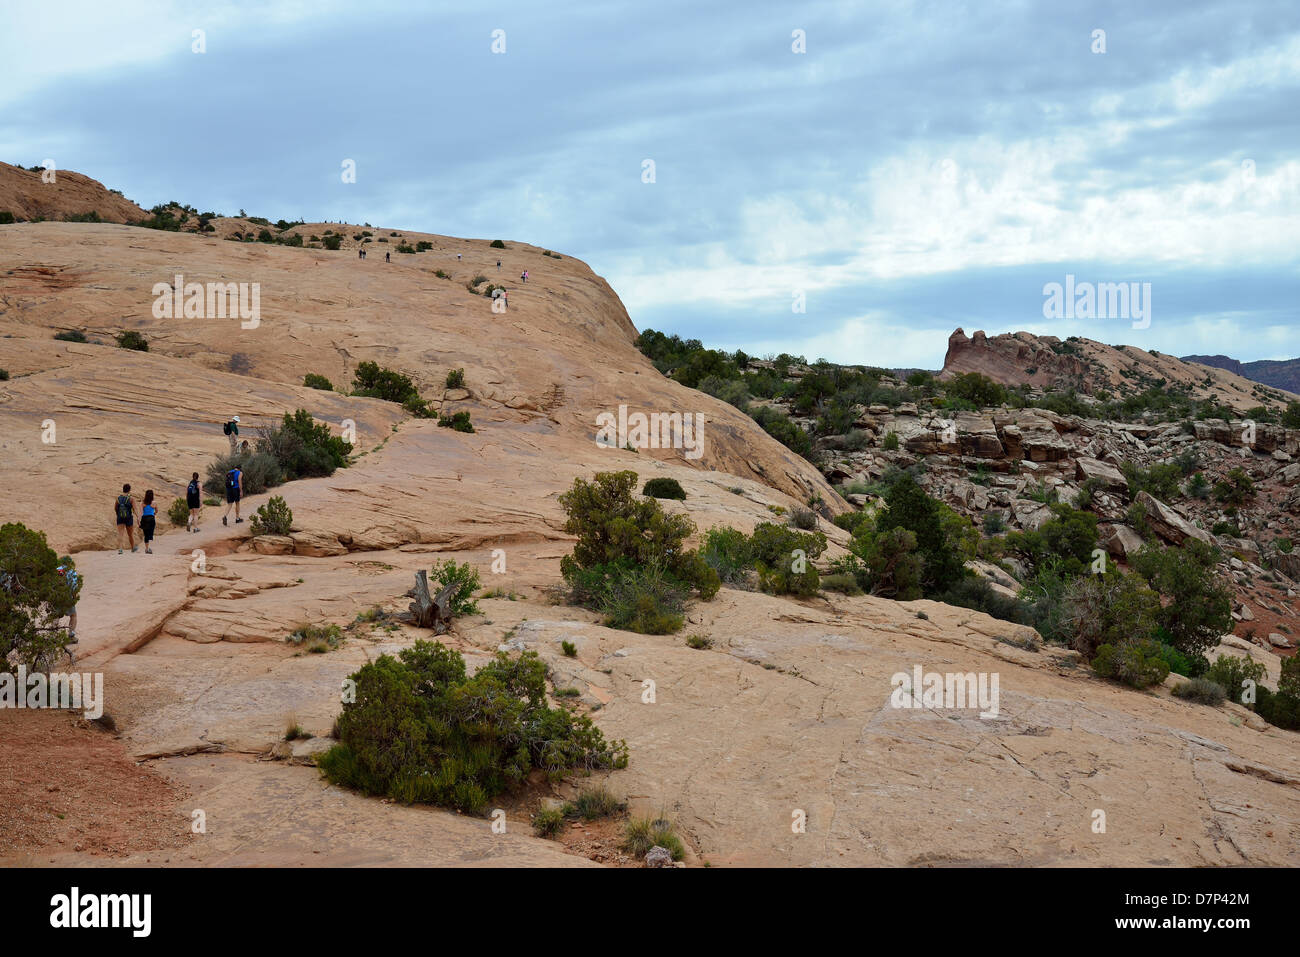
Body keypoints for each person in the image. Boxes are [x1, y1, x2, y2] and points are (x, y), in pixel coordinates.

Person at [56, 563, 79, 663]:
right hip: (68, 597)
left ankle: (54, 635)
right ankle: (71, 635)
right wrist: (74, 596)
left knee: (56, 616)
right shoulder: (71, 571)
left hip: (57, 596)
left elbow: (57, 581)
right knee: (73, 616)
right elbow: (74, 585)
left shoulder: (59, 569)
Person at [115, 483, 137, 554]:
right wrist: (138, 517)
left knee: (120, 534)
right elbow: (135, 509)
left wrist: (118, 514)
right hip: (128, 518)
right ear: (129, 490)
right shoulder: (131, 498)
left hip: (120, 517)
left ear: (123, 489)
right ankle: (133, 547)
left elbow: (115, 508)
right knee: (130, 534)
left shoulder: (118, 498)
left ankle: (120, 549)